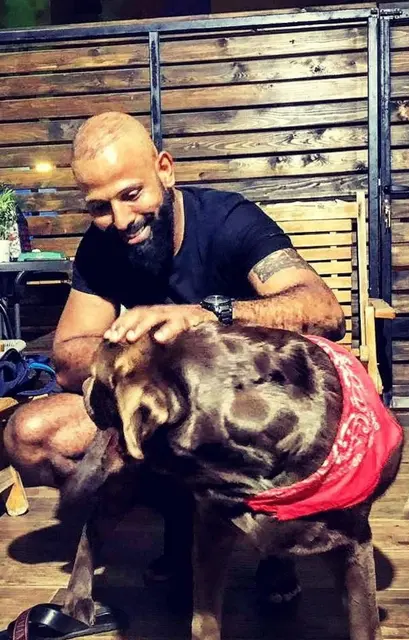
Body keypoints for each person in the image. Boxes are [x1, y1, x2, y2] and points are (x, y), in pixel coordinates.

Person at [4, 111, 345, 604]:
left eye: (131, 193)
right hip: (164, 405)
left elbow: (323, 311)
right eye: (100, 207)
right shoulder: (100, 247)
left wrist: (206, 316)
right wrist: (138, 345)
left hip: (242, 403)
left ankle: (273, 545)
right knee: (30, 434)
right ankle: (178, 520)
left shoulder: (228, 220)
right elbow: (67, 360)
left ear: (164, 169)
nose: (122, 220)